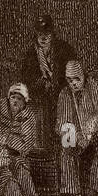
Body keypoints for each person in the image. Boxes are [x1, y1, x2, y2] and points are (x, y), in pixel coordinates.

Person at [56, 60, 98, 196]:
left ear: (83, 76)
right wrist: (72, 137)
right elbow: (63, 121)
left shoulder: (94, 87)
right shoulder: (65, 94)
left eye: (77, 79)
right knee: (66, 148)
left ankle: (94, 191)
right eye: (70, 80)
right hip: (75, 133)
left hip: (95, 132)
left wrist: (89, 132)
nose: (74, 83)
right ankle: (71, 192)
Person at [19, 14, 77, 150]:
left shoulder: (64, 50)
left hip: (64, 100)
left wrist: (58, 85)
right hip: (41, 103)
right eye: (40, 34)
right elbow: (26, 83)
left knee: (68, 144)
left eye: (47, 33)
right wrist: (41, 83)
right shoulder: (30, 56)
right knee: (41, 139)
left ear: (52, 33)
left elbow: (75, 74)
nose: (43, 37)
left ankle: (69, 158)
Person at [0, 83, 40, 157]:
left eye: (19, 98)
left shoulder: (28, 115)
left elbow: (28, 141)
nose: (15, 101)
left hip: (17, 153)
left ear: (24, 101)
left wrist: (9, 143)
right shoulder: (1, 105)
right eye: (13, 97)